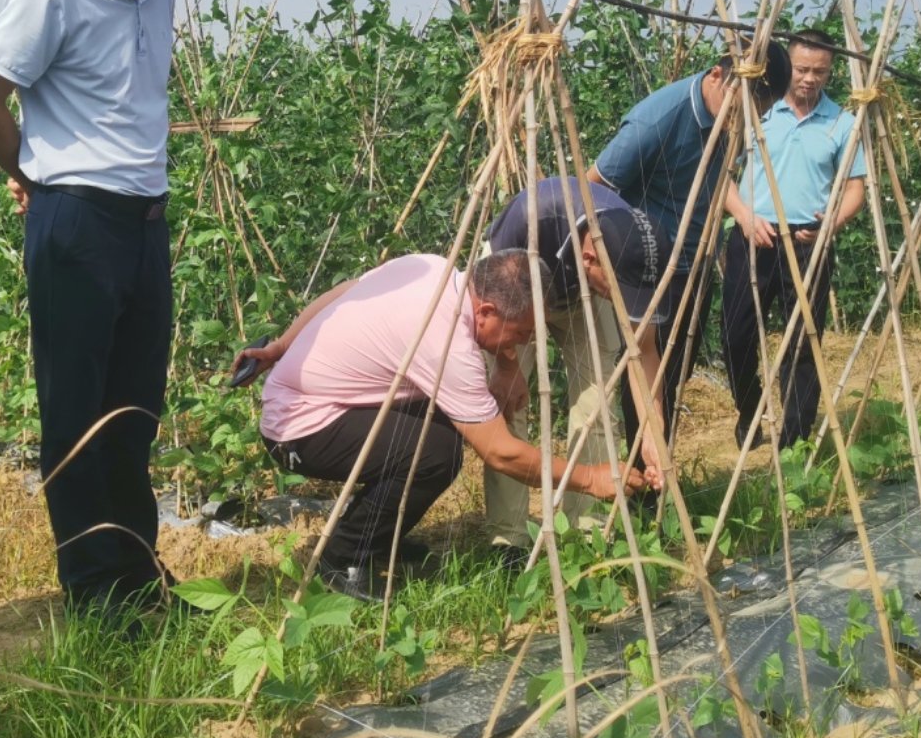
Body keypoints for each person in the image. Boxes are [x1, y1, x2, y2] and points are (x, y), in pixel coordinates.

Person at [0, 0, 217, 618]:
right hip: (76, 222)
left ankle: (138, 578)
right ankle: (96, 594)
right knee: (76, 411)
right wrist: (33, 174)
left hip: (144, 222)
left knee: (133, 412)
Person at [232, 250, 655, 599]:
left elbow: (344, 291)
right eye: (522, 331)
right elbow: (501, 452)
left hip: (325, 399)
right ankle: (343, 557)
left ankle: (380, 536)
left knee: (447, 429)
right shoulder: (446, 343)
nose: (525, 341)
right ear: (485, 311)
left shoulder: (435, 268)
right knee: (434, 454)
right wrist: (590, 478)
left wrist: (281, 346)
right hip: (299, 427)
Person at [587, 43, 791, 449]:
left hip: (693, 265)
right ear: (716, 75)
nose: (744, 123)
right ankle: (642, 472)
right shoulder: (658, 120)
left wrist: (742, 214)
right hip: (648, 272)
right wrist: (612, 259)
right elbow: (594, 186)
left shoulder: (729, 120)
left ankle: (660, 465)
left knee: (674, 375)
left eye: (757, 116)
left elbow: (716, 175)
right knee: (645, 375)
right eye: (742, 111)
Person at [479, 177, 670, 554]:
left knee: (598, 397)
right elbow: (495, 299)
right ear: (588, 258)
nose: (619, 301)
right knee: (508, 404)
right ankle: (509, 539)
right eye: (616, 291)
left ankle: (587, 530)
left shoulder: (630, 246)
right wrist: (506, 364)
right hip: (512, 288)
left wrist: (653, 430)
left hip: (579, 294)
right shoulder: (532, 217)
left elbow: (643, 349)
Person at [721, 29, 866, 449]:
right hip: (754, 238)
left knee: (803, 342)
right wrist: (744, 216)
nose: (809, 79)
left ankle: (794, 440)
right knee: (735, 335)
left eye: (819, 71)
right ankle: (750, 408)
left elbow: (855, 189)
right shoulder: (758, 112)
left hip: (807, 244)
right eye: (802, 69)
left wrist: (832, 222)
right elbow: (721, 176)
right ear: (788, 66)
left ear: (830, 72)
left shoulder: (841, 123)